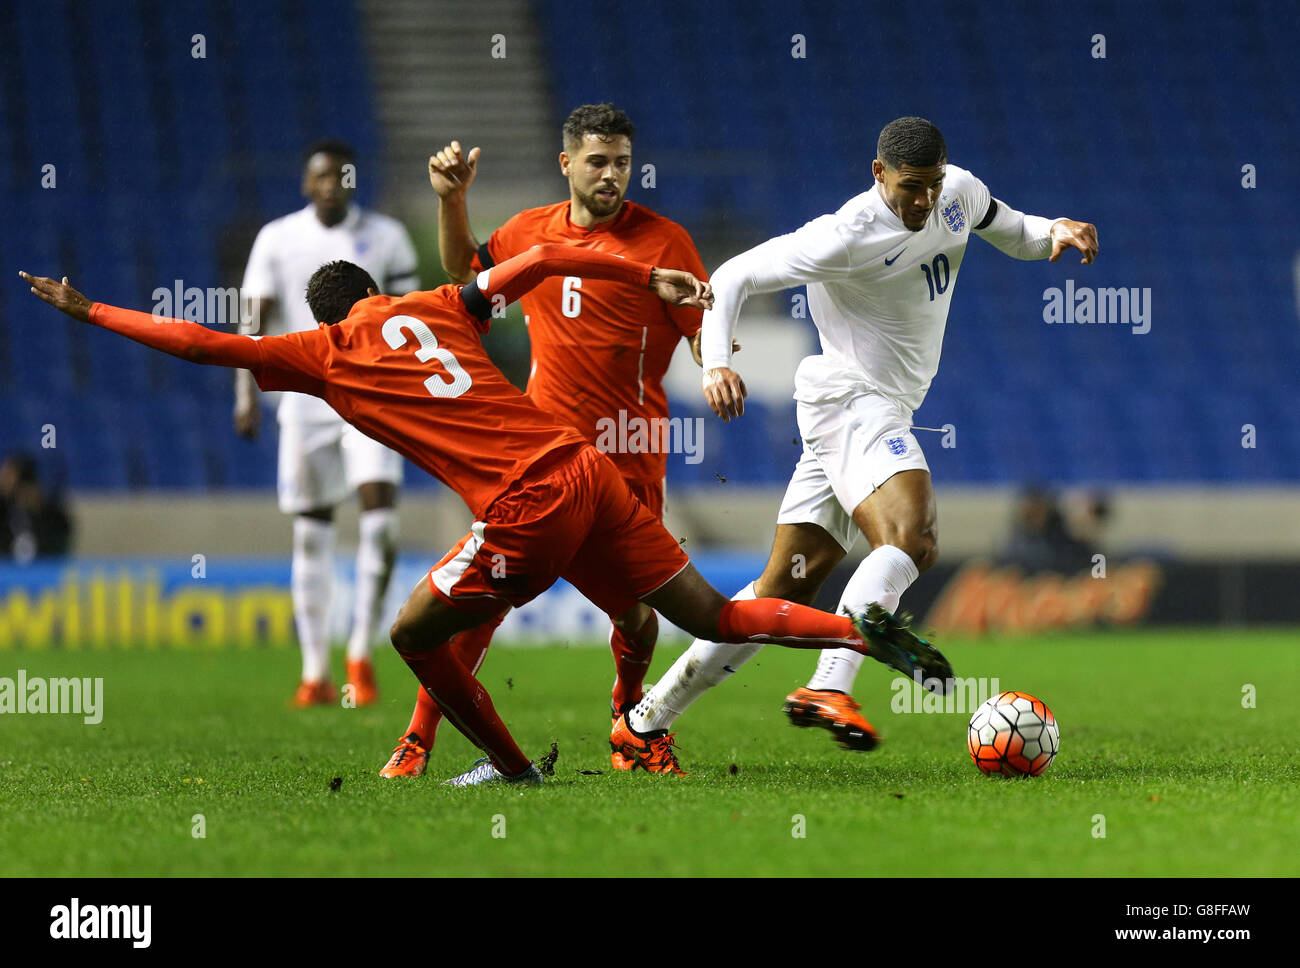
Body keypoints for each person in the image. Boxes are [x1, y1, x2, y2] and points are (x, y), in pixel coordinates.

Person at [20, 246, 950, 786]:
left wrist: (89, 309)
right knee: (707, 613)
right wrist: (650, 278)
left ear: (327, 314)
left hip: (525, 503)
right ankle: (861, 637)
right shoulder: (438, 304)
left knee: (416, 629)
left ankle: (513, 773)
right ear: (380, 293)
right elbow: (542, 259)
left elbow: (204, 343)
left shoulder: (328, 348)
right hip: (588, 470)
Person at [623, 116, 1098, 757]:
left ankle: (644, 722)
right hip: (850, 397)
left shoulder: (958, 192)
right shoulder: (845, 236)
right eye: (910, 187)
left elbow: (1008, 227)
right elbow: (733, 274)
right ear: (879, 175)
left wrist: (1053, 232)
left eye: (931, 185)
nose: (923, 200)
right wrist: (715, 364)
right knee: (914, 537)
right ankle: (829, 684)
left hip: (872, 412)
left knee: (782, 590)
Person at [381, 104, 714, 778]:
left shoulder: (665, 241)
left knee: (636, 615)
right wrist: (453, 200)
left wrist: (720, 363)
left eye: (621, 161)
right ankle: (416, 742)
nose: (612, 175)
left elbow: (698, 325)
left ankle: (630, 720)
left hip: (629, 458)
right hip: (539, 464)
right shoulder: (530, 232)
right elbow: (462, 275)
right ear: (567, 164)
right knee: (483, 604)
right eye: (598, 161)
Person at [236, 139, 420, 707]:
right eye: (320, 176)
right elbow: (253, 318)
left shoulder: (388, 236)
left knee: (381, 522)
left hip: (370, 398)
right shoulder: (277, 237)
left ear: (353, 180)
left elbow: (411, 320)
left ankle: (360, 654)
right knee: (311, 533)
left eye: (341, 176)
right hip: (305, 399)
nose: (331, 185)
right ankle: (315, 672)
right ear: (305, 182)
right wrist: (244, 391)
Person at [0, 453, 73, 562]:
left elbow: (59, 550)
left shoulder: (54, 515)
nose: (3, 479)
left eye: (8, 474)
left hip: (44, 573)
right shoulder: (4, 511)